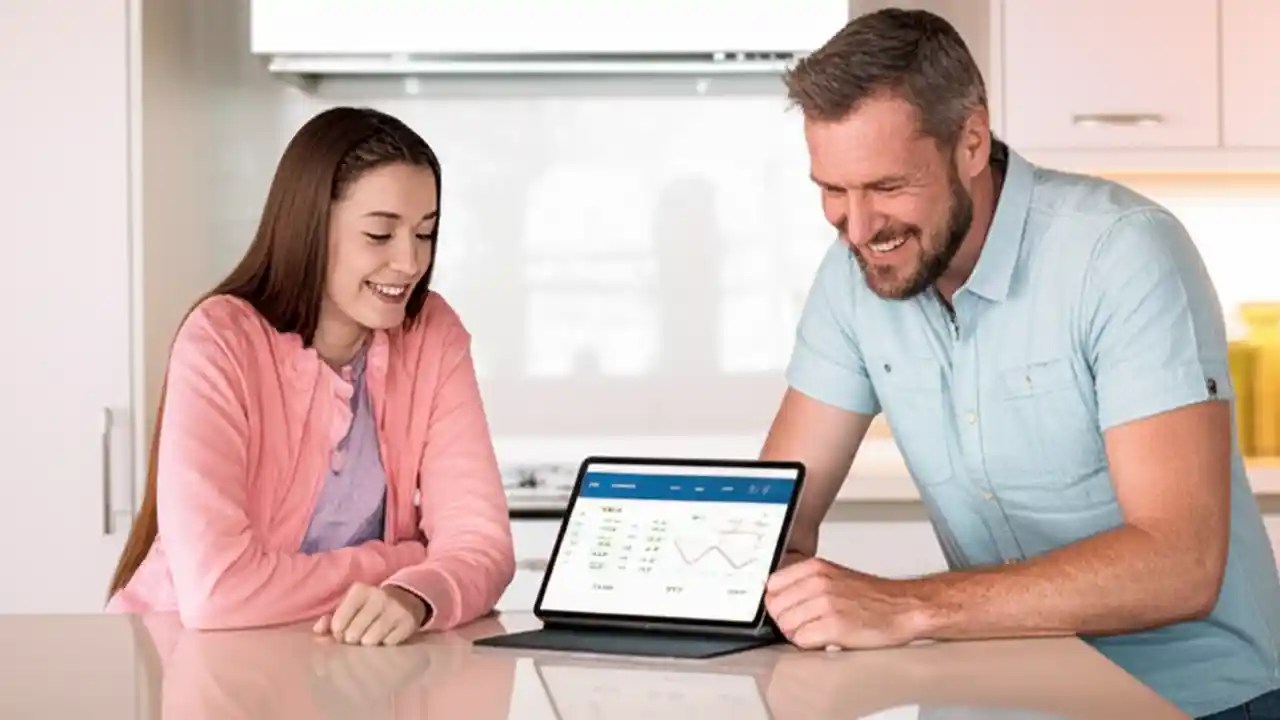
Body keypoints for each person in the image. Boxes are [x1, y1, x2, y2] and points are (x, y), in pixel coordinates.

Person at [759, 8, 1280, 719]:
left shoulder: (1119, 253)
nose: (858, 227)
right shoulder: (854, 277)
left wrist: (904, 606)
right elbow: (775, 521)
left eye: (886, 187)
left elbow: (1179, 564)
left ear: (971, 142)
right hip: (1000, 692)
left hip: (1187, 699)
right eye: (832, 190)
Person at [106, 107, 515, 646]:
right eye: (379, 234)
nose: (410, 261)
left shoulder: (431, 333)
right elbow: (217, 591)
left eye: (425, 233)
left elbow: (481, 545)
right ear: (311, 228)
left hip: (345, 662)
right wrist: (406, 561)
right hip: (189, 656)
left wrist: (414, 595)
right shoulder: (220, 339)